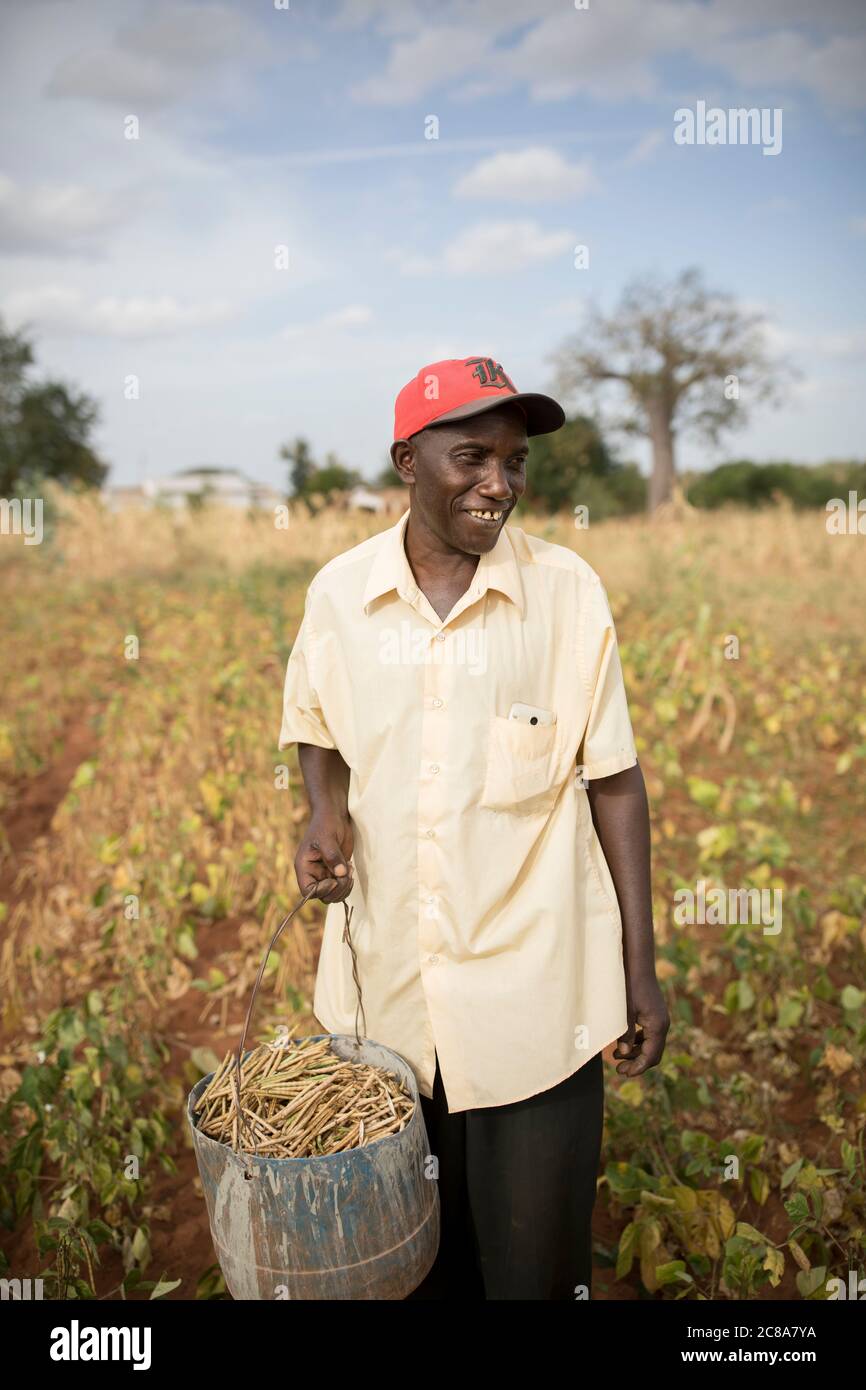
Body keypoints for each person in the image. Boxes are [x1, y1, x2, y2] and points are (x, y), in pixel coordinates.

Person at [278, 355, 669, 1300]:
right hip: (385, 1013)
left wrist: (640, 970)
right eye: (471, 458)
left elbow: (613, 781)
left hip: (535, 1007)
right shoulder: (341, 595)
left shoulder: (568, 594)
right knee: (411, 1269)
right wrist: (324, 816)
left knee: (532, 1274)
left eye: (514, 460)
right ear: (407, 462)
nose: (499, 484)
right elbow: (316, 730)